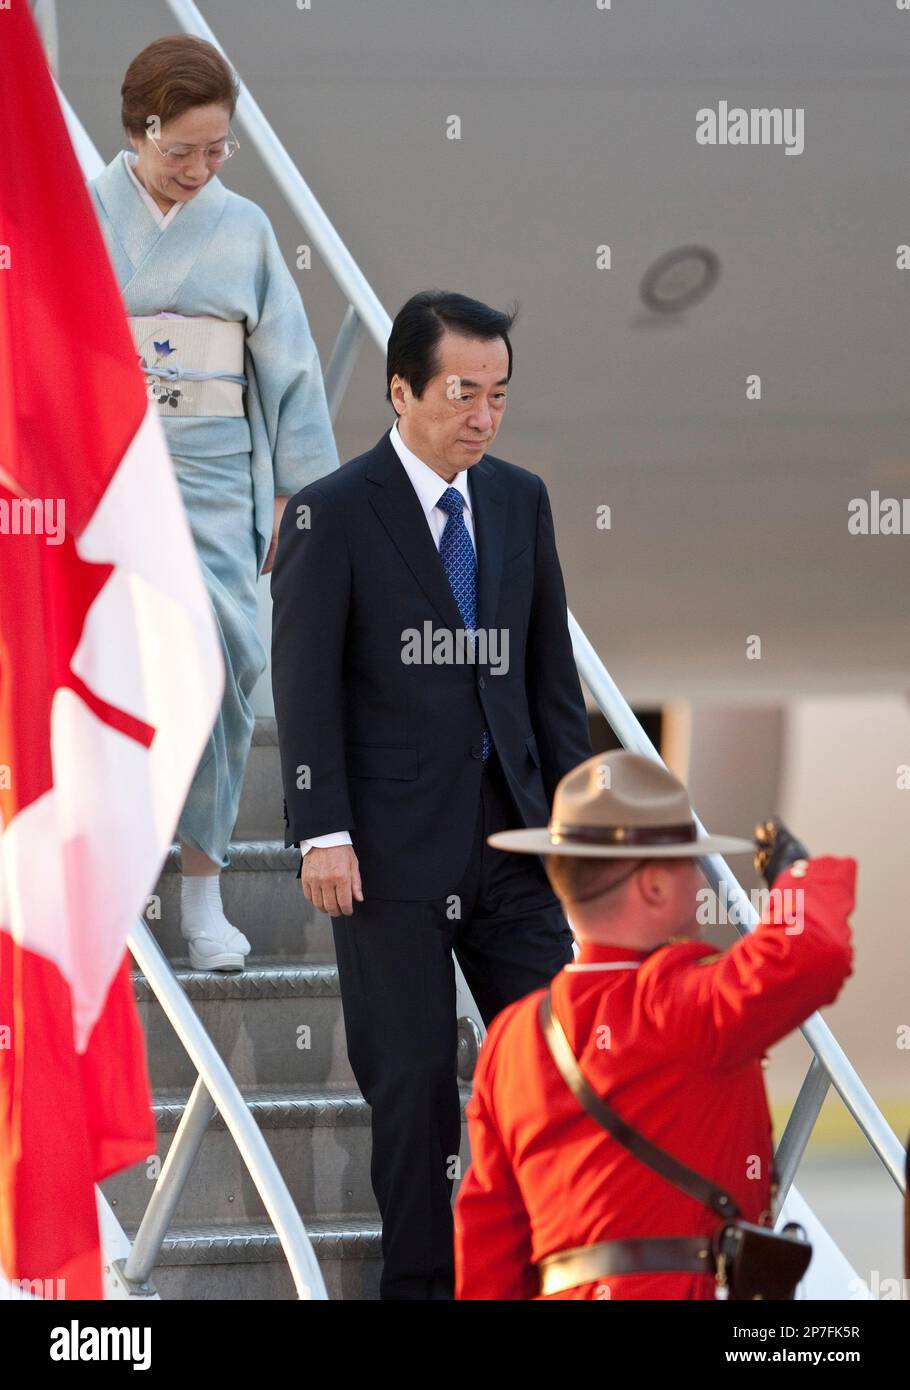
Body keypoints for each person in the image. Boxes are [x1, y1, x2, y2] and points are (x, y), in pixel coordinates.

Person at [271, 290, 593, 1299]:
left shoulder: (517, 500)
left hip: (511, 846)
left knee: (557, 1068)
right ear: (401, 389)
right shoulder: (334, 508)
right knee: (412, 1090)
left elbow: (549, 680)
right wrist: (320, 827)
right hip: (385, 851)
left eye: (499, 395)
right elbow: (304, 680)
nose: (484, 417)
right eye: (463, 393)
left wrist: (574, 827)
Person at [89, 36, 339, 971]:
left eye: (217, 150)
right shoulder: (79, 216)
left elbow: (292, 368)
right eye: (182, 151)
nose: (200, 169)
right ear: (140, 132)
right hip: (104, 475)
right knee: (110, 669)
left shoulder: (245, 231)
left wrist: (296, 490)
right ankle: (106, 879)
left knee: (228, 662)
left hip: (216, 471)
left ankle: (201, 891)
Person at [454, 750, 856, 1299]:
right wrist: (798, 878)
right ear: (654, 887)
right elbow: (812, 953)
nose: (699, 880)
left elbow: (487, 1250)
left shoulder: (512, 1040)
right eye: (688, 863)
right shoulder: (681, 1005)